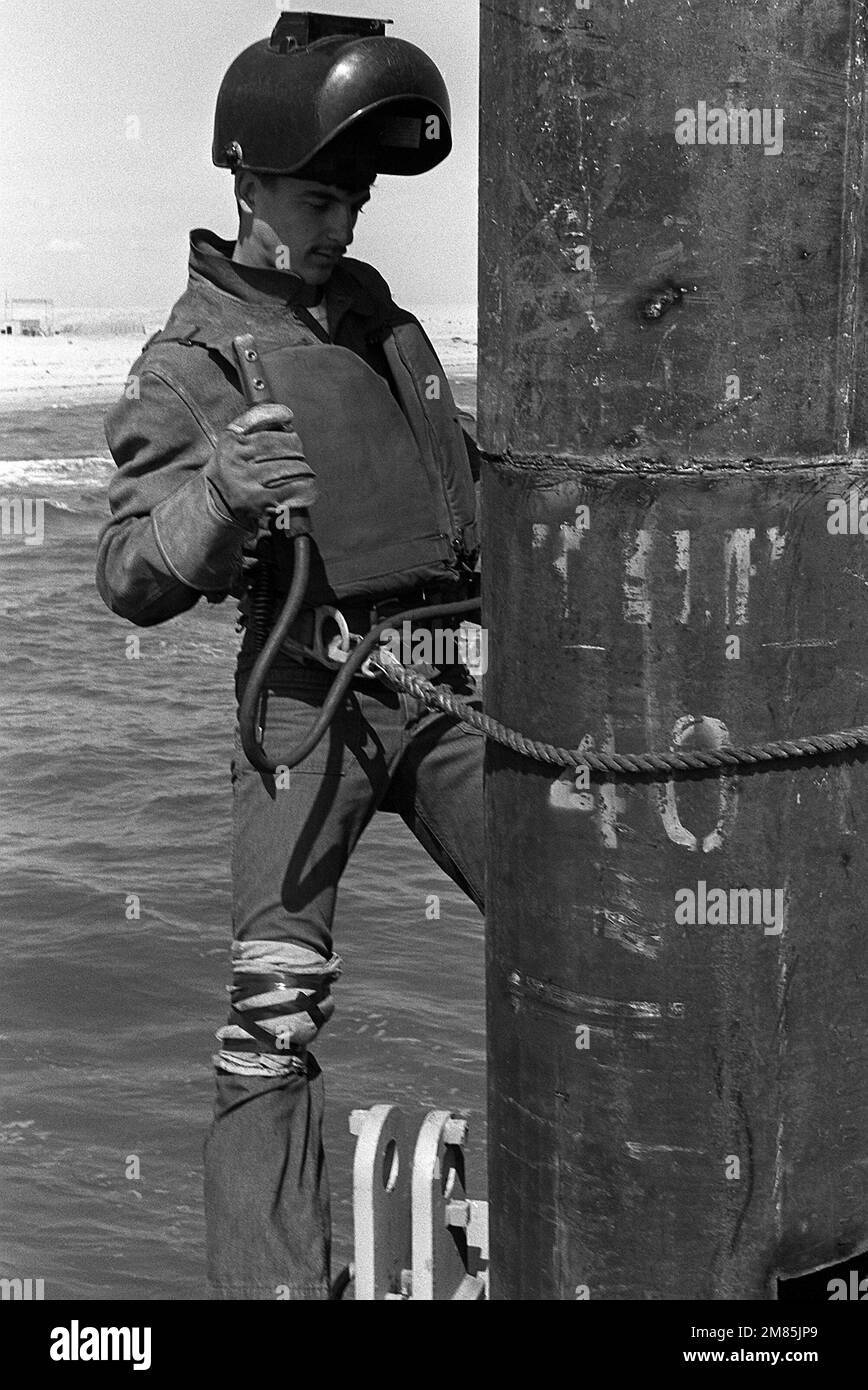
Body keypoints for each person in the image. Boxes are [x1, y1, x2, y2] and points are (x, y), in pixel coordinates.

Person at [96, 11, 485, 1300]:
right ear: (249, 186)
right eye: (323, 198)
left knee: (585, 924)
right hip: (308, 711)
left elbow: (453, 486)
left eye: (358, 200)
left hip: (453, 696)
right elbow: (129, 578)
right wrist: (221, 492)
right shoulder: (188, 362)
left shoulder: (372, 316)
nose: (346, 224)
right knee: (271, 1026)